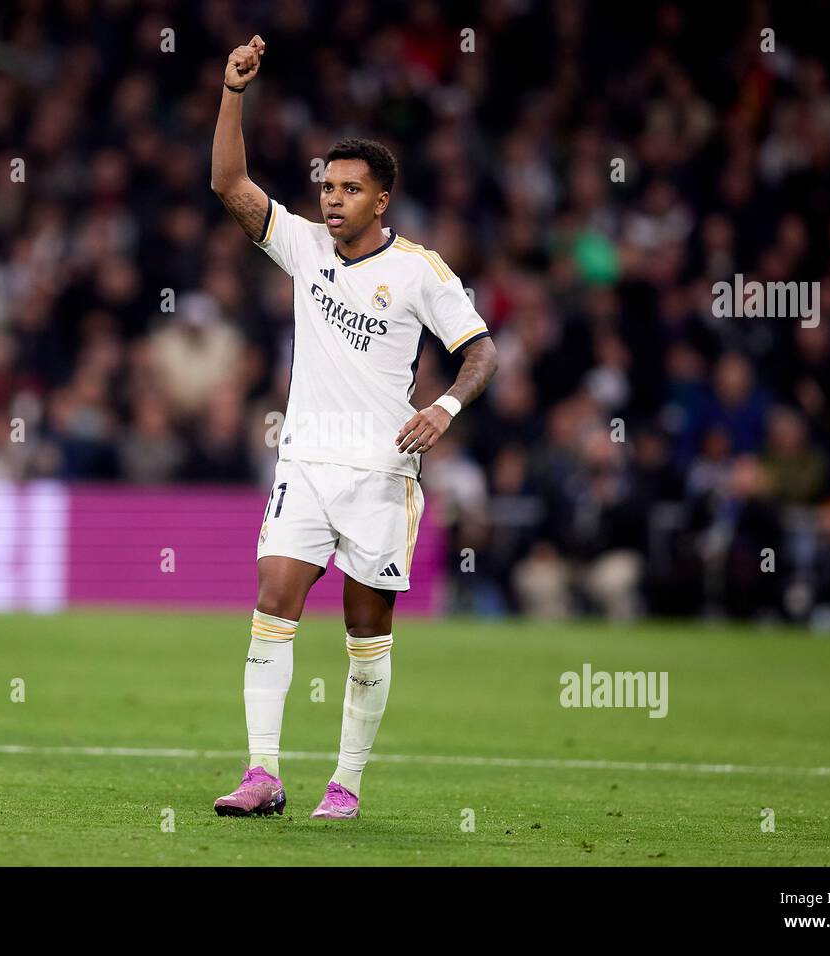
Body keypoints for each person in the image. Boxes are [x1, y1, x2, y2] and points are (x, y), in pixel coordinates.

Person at [208, 36, 498, 819]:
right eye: (327, 186)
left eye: (348, 189)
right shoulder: (304, 246)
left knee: (366, 629)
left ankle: (348, 781)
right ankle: (262, 772)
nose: (331, 199)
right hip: (303, 461)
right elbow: (228, 182)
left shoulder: (420, 271)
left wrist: (445, 407)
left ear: (382, 201)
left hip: (378, 473)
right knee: (273, 597)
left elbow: (481, 352)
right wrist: (233, 91)